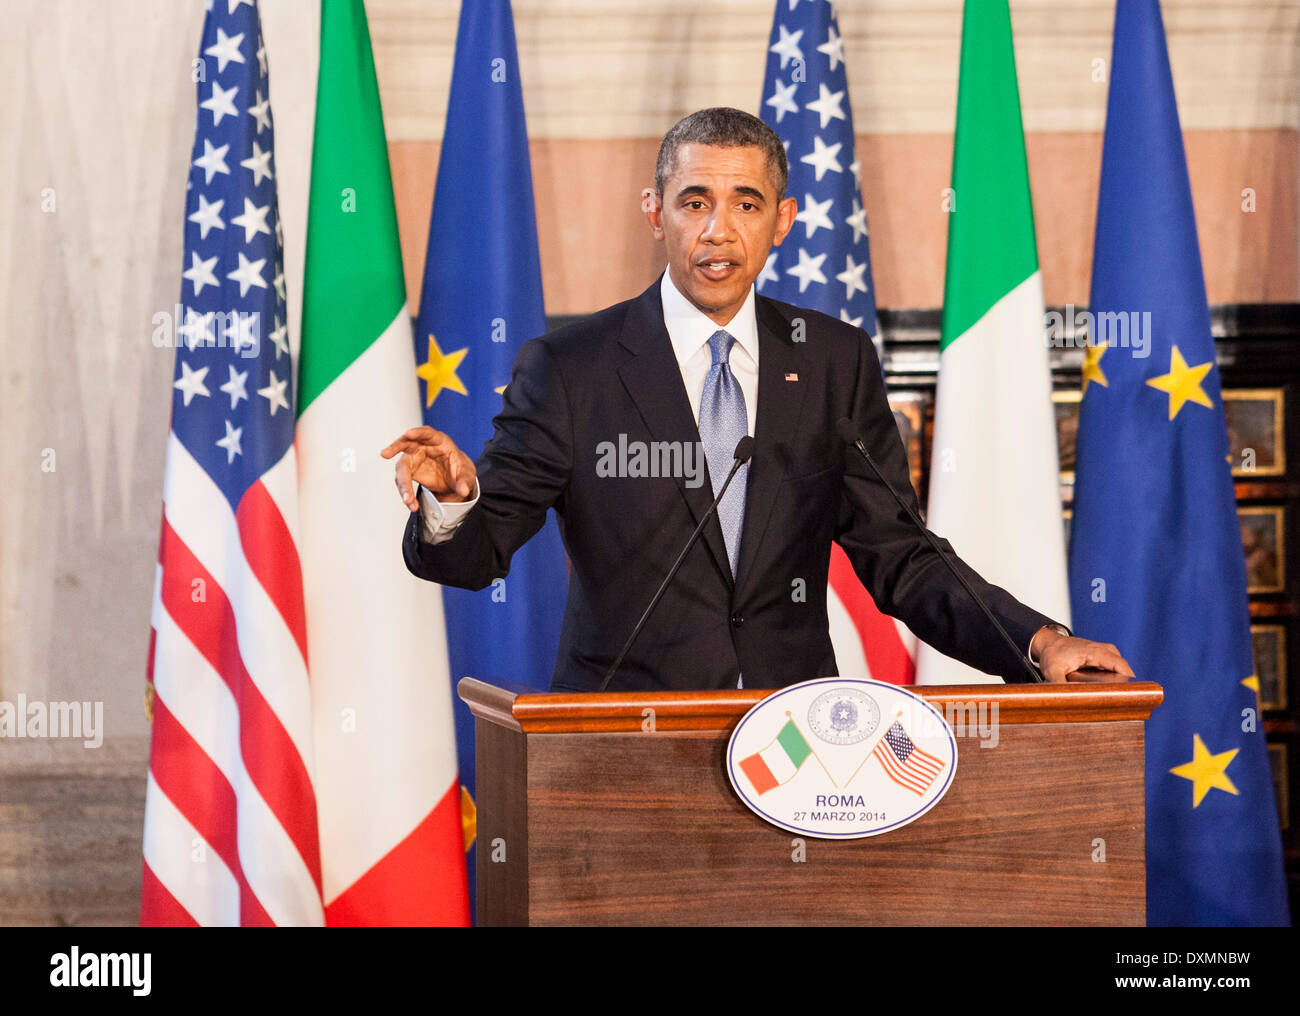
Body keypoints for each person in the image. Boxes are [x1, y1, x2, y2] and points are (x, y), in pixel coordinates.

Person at [382, 107, 1133, 691]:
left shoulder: (835, 360)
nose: (718, 230)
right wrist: (454, 500)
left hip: (798, 735)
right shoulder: (570, 368)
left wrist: (1039, 643)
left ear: (783, 220)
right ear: (655, 212)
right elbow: (476, 558)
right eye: (694, 201)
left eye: (746, 203)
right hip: (623, 743)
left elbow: (902, 556)